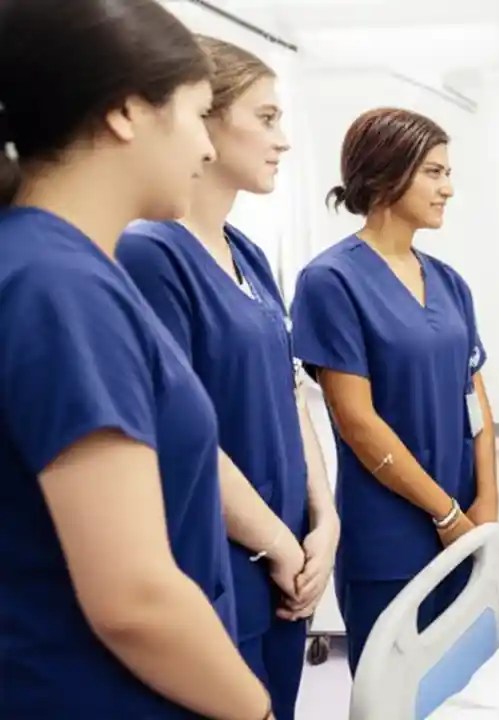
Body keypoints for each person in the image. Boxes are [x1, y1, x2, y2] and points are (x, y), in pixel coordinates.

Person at [0, 1, 277, 718]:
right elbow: (134, 599)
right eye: (195, 114)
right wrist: (255, 709)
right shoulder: (58, 287)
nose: (208, 148)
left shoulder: (60, 270)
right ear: (125, 113)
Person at [115, 37, 338, 719]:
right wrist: (274, 541)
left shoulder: (248, 253)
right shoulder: (151, 253)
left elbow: (288, 387)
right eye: (266, 118)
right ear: (203, 116)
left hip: (289, 557)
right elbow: (171, 425)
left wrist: (324, 519)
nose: (284, 141)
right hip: (224, 561)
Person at [289, 107, 495, 674]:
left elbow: (475, 398)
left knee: (462, 688)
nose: (448, 188)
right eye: (433, 172)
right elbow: (357, 421)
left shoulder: (450, 283)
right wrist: (445, 512)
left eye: (448, 172)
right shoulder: (332, 280)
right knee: (394, 691)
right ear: (386, 174)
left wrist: (486, 505)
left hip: (466, 529)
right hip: (390, 533)